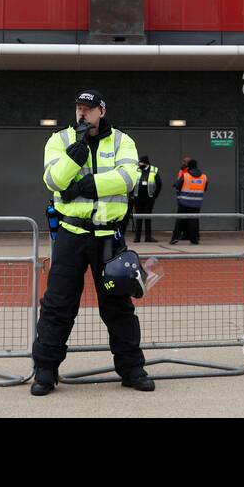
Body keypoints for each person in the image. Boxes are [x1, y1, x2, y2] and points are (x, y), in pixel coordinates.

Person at [31, 89, 154, 395]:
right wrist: (75, 157)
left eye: (88, 108)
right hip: (72, 235)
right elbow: (54, 181)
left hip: (109, 237)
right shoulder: (60, 140)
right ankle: (44, 371)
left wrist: (90, 185)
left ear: (102, 110)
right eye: (78, 108)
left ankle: (132, 369)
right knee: (57, 306)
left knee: (118, 307)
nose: (82, 114)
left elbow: (129, 176)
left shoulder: (122, 141)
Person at [169, 157, 207, 244]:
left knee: (180, 220)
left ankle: (175, 238)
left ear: (189, 166)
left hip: (184, 202)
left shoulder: (186, 175)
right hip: (197, 203)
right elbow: (205, 188)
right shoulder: (203, 177)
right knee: (194, 221)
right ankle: (194, 239)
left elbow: (178, 186)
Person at [127, 154, 161, 243]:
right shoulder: (136, 170)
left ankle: (148, 237)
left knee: (147, 217)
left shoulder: (153, 170)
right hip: (137, 198)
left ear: (146, 163)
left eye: (141, 162)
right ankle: (137, 237)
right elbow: (132, 183)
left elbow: (159, 184)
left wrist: (155, 196)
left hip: (149, 199)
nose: (139, 164)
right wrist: (131, 195)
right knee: (138, 217)